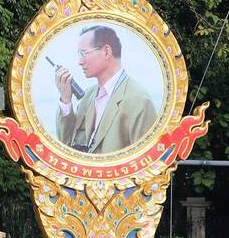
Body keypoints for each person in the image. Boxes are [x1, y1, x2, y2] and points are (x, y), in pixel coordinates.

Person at [54, 24, 157, 153]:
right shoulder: (88, 95)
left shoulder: (139, 101)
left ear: (107, 52)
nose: (80, 62)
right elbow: (67, 148)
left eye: (83, 53)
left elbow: (146, 159)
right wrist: (65, 100)